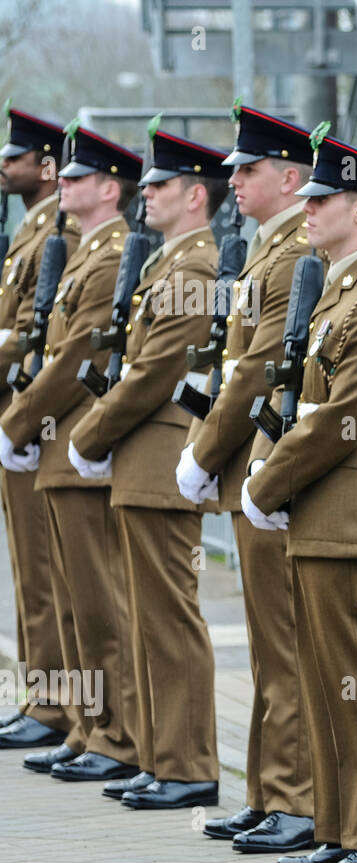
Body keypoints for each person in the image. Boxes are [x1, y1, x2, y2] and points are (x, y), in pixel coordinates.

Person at [242, 127, 357, 863]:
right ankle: (338, 827)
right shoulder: (334, 290)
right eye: (308, 194)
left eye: (327, 196)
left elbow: (341, 422)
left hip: (344, 508)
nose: (308, 208)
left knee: (354, 676)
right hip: (314, 509)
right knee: (319, 678)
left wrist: (265, 482)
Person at [68, 119, 225, 810]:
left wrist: (90, 432)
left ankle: (188, 762)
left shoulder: (194, 267)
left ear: (195, 196)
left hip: (162, 457)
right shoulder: (166, 262)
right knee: (143, 616)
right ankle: (162, 756)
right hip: (140, 459)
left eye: (161, 184)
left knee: (167, 618)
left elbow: (159, 368)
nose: (148, 193)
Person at [175, 103, 316, 852]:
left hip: (271, 471)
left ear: (290, 176)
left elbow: (258, 371)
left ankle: (297, 793)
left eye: (250, 168)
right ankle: (270, 789)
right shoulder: (267, 248)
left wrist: (202, 451)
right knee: (267, 645)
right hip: (249, 471)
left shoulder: (293, 250)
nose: (235, 178)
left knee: (284, 642)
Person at [0, 121, 142, 781]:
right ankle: (76, 715)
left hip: (70, 432)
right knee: (50, 586)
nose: (68, 183)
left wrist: (23, 421)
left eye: (80, 176)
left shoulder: (105, 249)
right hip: (48, 434)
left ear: (108, 188)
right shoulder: (71, 242)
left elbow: (75, 353)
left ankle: (104, 725)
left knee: (89, 597)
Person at [0, 105, 80, 749]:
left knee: (47, 571)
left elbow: (35, 334)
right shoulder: (32, 229)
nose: (3, 165)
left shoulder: (61, 232)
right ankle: (41, 693)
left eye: (15, 157)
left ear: (46, 167)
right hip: (20, 414)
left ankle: (54, 701)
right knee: (30, 570)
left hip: (36, 420)